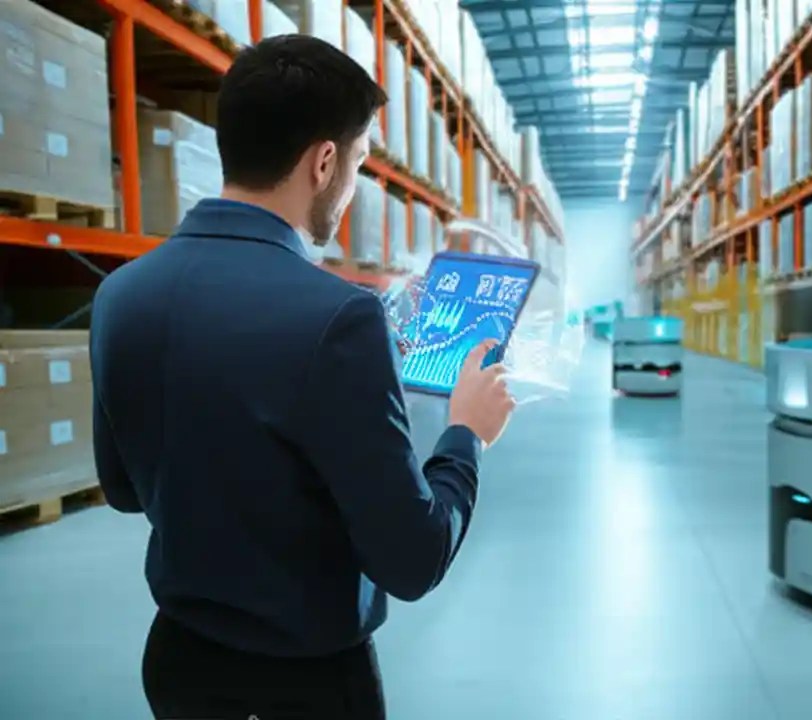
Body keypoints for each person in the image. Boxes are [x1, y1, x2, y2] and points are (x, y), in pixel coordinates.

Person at [89, 35, 515, 719]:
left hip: (178, 663)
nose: (352, 188)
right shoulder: (341, 318)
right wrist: (466, 433)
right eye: (358, 165)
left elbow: (121, 487)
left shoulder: (121, 293)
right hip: (306, 683)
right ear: (323, 162)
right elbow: (412, 559)